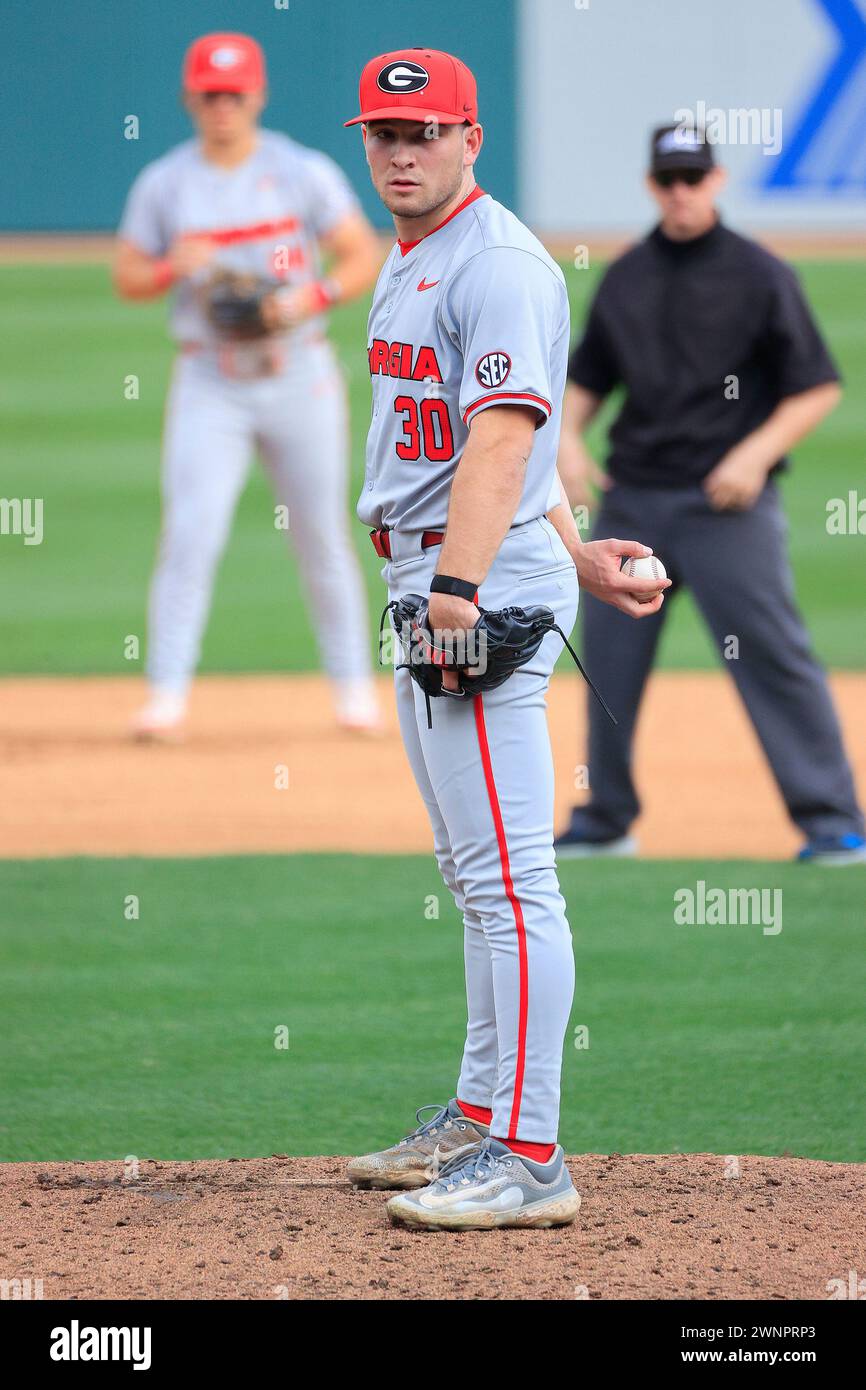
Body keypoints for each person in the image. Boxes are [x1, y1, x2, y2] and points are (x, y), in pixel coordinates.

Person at [341, 48, 668, 1231]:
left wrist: (462, 590)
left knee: (513, 883)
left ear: (471, 137)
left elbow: (499, 442)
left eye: (424, 131)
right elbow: (505, 451)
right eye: (383, 131)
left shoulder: (499, 265)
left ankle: (529, 1159)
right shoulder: (417, 249)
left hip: (464, 585)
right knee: (471, 878)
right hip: (448, 570)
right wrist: (579, 552)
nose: (401, 151)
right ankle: (482, 1115)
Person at [555, 124, 865, 867]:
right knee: (610, 662)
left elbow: (815, 386)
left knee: (770, 652)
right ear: (651, 184)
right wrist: (567, 440)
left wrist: (755, 456)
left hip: (728, 508)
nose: (682, 192)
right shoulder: (627, 275)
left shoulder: (760, 274)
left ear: (717, 180)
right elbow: (587, 380)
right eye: (669, 179)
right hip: (635, 502)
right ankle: (607, 816)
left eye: (694, 177)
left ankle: (833, 821)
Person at [113, 32, 383, 738]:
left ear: (257, 95)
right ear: (189, 98)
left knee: (322, 533)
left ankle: (354, 692)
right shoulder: (167, 183)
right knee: (190, 534)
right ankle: (166, 696)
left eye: (233, 92)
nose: (222, 105)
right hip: (210, 378)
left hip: (298, 371)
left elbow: (361, 252)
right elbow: (127, 277)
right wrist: (174, 265)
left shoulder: (301, 170)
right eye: (209, 92)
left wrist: (304, 299)